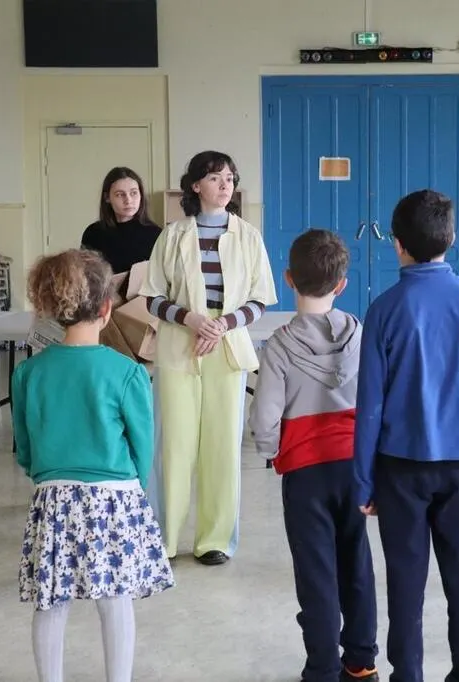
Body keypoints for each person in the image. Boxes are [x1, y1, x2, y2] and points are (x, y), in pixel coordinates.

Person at [354, 189, 459, 682]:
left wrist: (363, 481)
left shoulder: (384, 310)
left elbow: (369, 406)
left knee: (405, 582)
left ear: (397, 244)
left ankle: (408, 674)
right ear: (452, 239)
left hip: (400, 467)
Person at [13, 249, 174, 682]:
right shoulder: (127, 372)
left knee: (51, 601)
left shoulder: (30, 372)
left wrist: (47, 477)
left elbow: (25, 448)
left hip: (55, 495)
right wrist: (135, 488)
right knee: (115, 600)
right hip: (114, 498)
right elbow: (144, 444)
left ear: (54, 307)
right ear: (107, 308)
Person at [248, 229, 379, 682]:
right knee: (356, 561)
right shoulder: (359, 332)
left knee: (316, 572)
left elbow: (265, 413)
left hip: (304, 472)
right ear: (341, 284)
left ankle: (321, 668)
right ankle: (361, 661)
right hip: (354, 467)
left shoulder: (281, 344)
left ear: (288, 279)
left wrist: (268, 449)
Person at [140, 150, 277, 565]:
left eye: (230, 178)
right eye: (216, 177)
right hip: (180, 344)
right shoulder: (173, 234)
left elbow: (261, 300)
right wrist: (193, 320)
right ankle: (162, 539)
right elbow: (152, 298)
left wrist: (221, 325)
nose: (225, 185)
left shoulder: (249, 236)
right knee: (175, 446)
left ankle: (215, 539)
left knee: (223, 445)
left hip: (227, 346)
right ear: (195, 185)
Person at [81, 167, 161, 275]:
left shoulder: (155, 234)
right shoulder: (93, 233)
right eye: (120, 194)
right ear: (107, 198)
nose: (128, 200)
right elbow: (86, 277)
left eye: (133, 193)